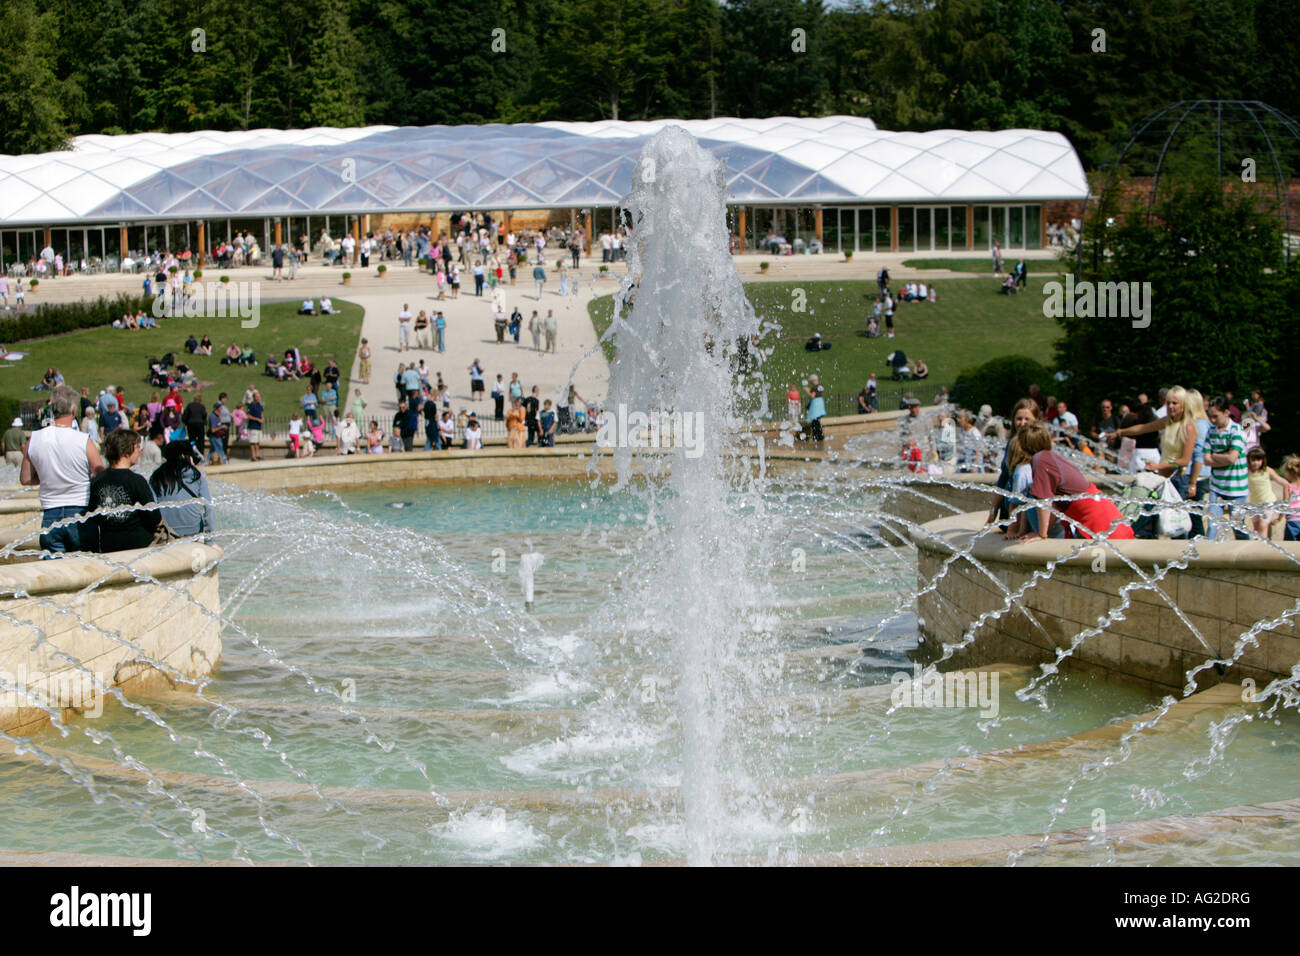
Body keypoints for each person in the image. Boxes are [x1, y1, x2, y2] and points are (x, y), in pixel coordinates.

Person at [1009, 422, 1135, 541]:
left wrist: (1041, 534)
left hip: (1098, 524)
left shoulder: (1040, 459)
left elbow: (1044, 500)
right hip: (1107, 519)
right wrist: (1041, 531)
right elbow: (1054, 507)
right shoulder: (1050, 457)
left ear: (1024, 444)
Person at [22, 386, 106, 553]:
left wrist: (44, 477)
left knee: (54, 572)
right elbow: (100, 472)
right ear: (74, 410)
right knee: (86, 570)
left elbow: (25, 479)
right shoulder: (83, 440)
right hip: (80, 511)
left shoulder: (35, 438)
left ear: (53, 409)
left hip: (50, 515)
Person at [88, 429, 160, 552]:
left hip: (109, 547)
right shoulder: (136, 481)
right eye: (137, 447)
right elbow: (154, 517)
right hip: (138, 548)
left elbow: (93, 515)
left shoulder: (98, 480)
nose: (139, 451)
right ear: (126, 451)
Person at [987, 397, 1041, 526]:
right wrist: (993, 511)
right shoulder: (1011, 444)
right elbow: (1003, 478)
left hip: (1029, 513)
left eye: (1027, 419)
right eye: (1019, 419)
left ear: (1036, 420)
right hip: (1009, 511)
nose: (1022, 423)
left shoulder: (1039, 445)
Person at [149, 440, 214, 539]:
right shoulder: (196, 476)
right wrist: (209, 540)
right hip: (193, 529)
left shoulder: (156, 476)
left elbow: (151, 506)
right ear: (184, 456)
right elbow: (209, 507)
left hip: (167, 531)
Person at [1245, 447, 1283, 538]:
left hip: (1268, 502)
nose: (1255, 463)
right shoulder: (1246, 471)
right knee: (1256, 528)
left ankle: (1263, 547)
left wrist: (1291, 487)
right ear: (1249, 460)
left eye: (1258, 460)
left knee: (1263, 526)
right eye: (1253, 460)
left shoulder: (1267, 470)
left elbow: (1282, 482)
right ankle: (1257, 546)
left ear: (1263, 460)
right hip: (1254, 503)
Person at [803, 376, 826, 442]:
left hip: (816, 404)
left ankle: (817, 436)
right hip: (820, 403)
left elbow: (812, 396)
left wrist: (807, 390)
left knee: (815, 421)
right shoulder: (820, 386)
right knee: (817, 420)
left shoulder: (814, 387)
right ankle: (819, 436)